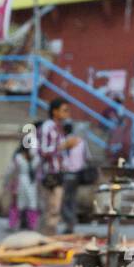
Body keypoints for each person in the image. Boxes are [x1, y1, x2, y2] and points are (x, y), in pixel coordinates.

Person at [38, 98, 78, 235]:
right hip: (49, 174)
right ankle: (44, 242)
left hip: (59, 174)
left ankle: (48, 240)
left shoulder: (59, 128)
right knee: (50, 210)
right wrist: (64, 145)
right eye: (64, 110)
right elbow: (43, 151)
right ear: (55, 111)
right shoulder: (47, 127)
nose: (68, 113)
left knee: (54, 210)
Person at [5, 141, 39, 231]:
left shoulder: (19, 158)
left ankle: (15, 224)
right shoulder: (34, 159)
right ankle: (30, 224)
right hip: (28, 183)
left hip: (24, 183)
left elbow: (10, 171)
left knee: (20, 205)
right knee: (29, 205)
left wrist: (6, 181)